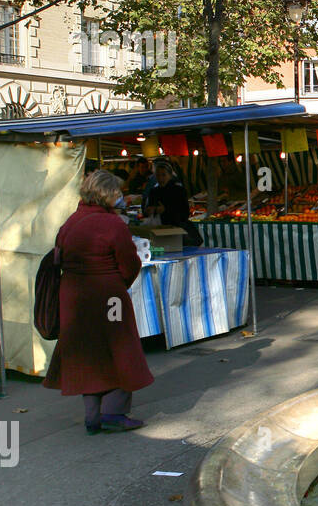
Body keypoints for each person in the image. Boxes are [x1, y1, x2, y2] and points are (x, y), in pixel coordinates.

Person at [43, 170, 153, 432]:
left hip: (73, 297)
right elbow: (129, 263)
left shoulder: (72, 220)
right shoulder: (112, 224)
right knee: (119, 350)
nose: (121, 197)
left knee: (89, 355)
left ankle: (93, 415)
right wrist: (118, 283)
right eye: (117, 192)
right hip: (107, 296)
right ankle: (113, 413)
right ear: (108, 194)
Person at [144, 159, 202, 246]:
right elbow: (147, 210)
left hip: (176, 230)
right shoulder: (153, 191)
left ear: (170, 175)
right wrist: (150, 210)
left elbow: (184, 213)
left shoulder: (178, 190)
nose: (161, 178)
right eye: (158, 175)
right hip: (159, 230)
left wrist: (166, 210)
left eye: (164, 175)